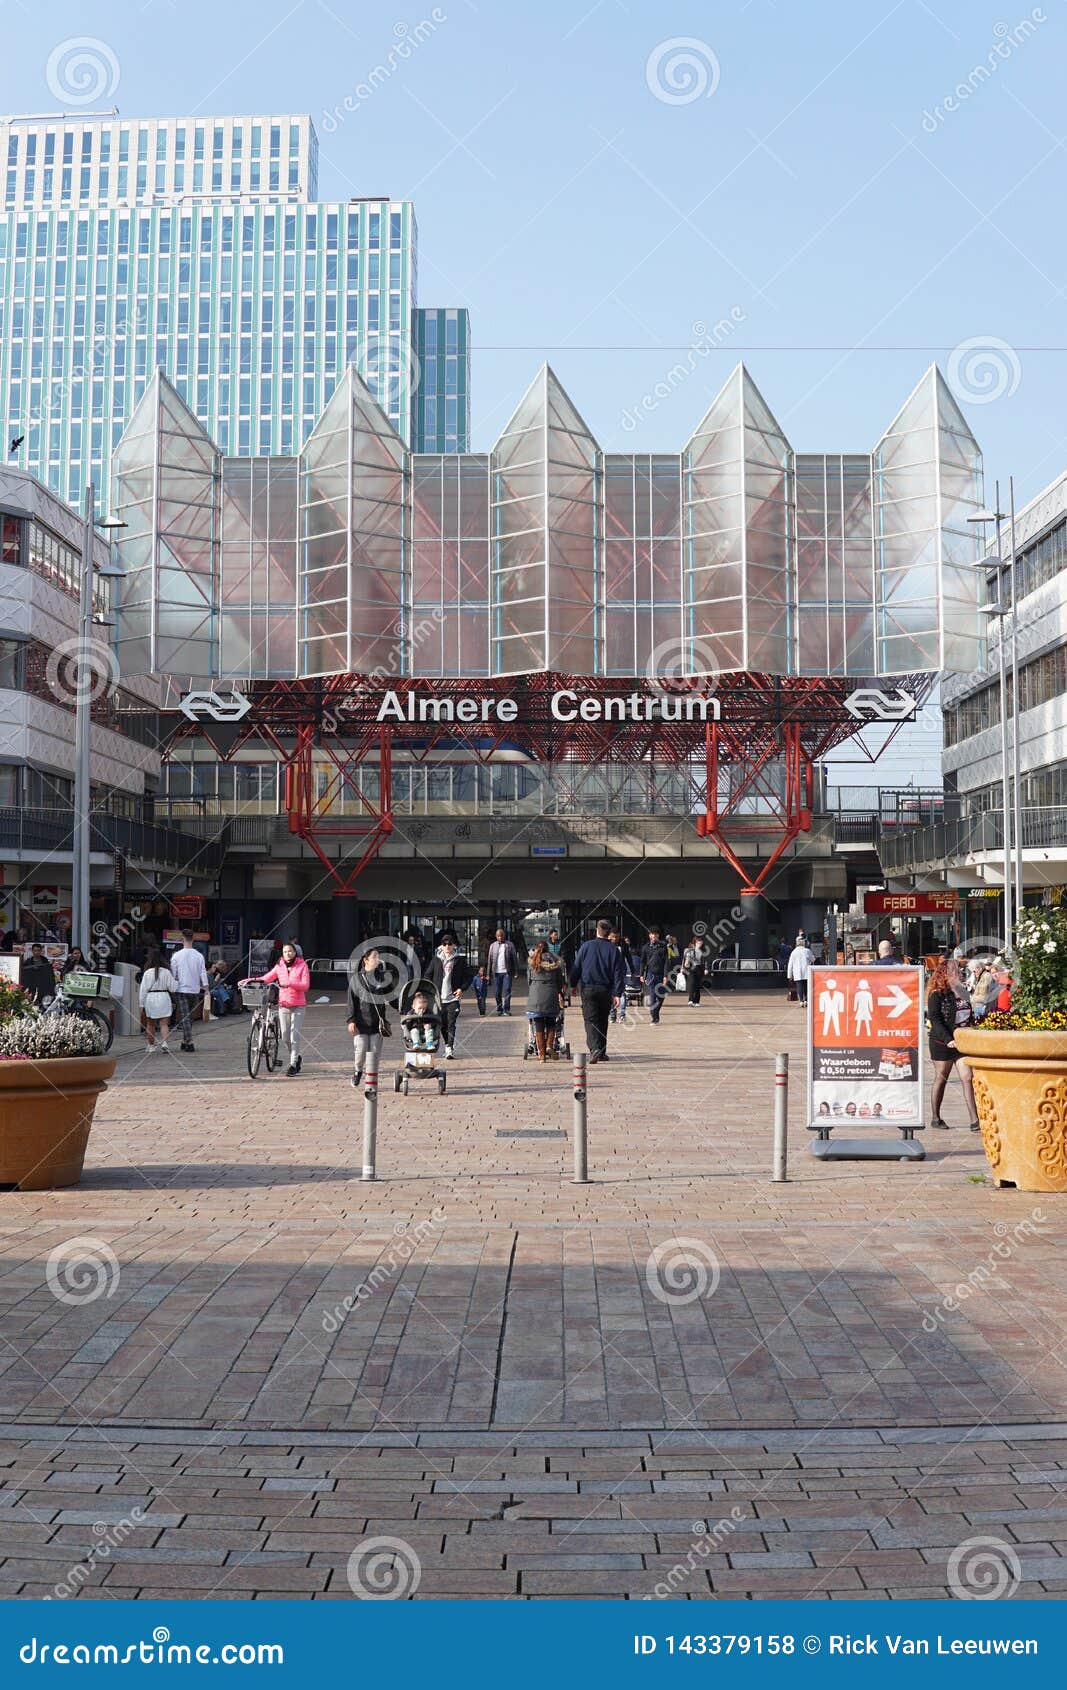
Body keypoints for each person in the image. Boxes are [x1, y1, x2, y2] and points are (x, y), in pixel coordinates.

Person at [926, 957, 979, 1132]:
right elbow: (935, 1019)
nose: (960, 973)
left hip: (962, 1042)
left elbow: (968, 1013)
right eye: (956, 970)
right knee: (941, 1078)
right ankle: (936, 1117)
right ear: (946, 974)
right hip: (942, 1042)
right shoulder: (937, 994)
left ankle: (974, 1120)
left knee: (967, 1077)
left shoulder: (963, 991)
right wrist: (948, 1039)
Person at [569, 918, 625, 1063]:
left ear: (597, 931)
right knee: (602, 1021)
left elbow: (576, 967)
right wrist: (618, 993)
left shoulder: (586, 946)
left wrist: (573, 984)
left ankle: (594, 1049)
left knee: (590, 1020)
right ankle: (601, 1051)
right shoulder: (614, 950)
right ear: (608, 933)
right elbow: (618, 973)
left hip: (588, 988)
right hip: (605, 990)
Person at [261, 941, 311, 1077]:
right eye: (284, 952)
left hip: (298, 1006)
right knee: (285, 1037)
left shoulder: (302, 965)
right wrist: (251, 980)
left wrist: (290, 983)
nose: (287, 954)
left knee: (294, 1036)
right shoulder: (279, 965)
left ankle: (293, 1064)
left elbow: (305, 985)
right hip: (283, 1005)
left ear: (295, 952)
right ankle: (296, 1057)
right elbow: (267, 977)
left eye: (290, 951)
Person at [347, 945, 391, 1089]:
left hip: (377, 1024)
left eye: (378, 957)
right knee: (360, 1051)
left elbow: (392, 996)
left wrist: (405, 1007)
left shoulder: (382, 977)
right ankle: (358, 1071)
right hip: (361, 1022)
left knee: (374, 1053)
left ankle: (371, 1080)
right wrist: (351, 1020)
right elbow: (351, 1001)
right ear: (365, 960)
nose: (377, 960)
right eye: (374, 957)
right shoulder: (356, 979)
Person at [428, 934, 470, 1059]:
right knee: (442, 1024)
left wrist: (461, 989)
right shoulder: (436, 960)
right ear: (441, 945)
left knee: (451, 1023)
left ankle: (449, 1048)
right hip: (439, 999)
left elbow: (468, 977)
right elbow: (427, 975)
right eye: (444, 943)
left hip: (453, 999)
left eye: (449, 943)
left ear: (454, 945)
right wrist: (431, 990)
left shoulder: (459, 961)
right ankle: (447, 1044)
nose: (447, 946)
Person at [168, 931, 211, 1052]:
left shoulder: (176, 956)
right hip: (195, 989)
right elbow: (203, 972)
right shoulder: (199, 956)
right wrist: (206, 987)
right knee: (189, 1017)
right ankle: (188, 1041)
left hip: (181, 989)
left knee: (186, 1017)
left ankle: (187, 1041)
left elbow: (173, 974)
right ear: (193, 939)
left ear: (182, 939)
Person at [526, 940, 566, 1060]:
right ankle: (549, 1046)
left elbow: (529, 981)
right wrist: (560, 992)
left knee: (538, 1024)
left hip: (536, 996)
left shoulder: (532, 962)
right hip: (551, 994)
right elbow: (560, 982)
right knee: (551, 1022)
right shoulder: (554, 962)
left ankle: (542, 1055)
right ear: (548, 949)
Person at [138, 946, 177, 1053]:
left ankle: (151, 1046)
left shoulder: (147, 973)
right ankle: (164, 1043)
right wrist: (177, 981)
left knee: (150, 1024)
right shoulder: (167, 972)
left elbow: (143, 990)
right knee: (164, 1024)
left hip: (150, 998)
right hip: (164, 997)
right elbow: (173, 988)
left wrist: (141, 1004)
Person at [639, 926, 668, 1025]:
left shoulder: (663, 947)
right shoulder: (645, 947)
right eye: (652, 934)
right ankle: (654, 1017)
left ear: (658, 935)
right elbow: (642, 962)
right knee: (652, 996)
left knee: (661, 997)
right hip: (650, 975)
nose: (654, 936)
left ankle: (655, 1013)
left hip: (660, 975)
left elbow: (666, 962)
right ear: (649, 935)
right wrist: (641, 974)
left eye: (656, 934)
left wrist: (665, 975)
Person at [487, 928, 517, 1017]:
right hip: (496, 972)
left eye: (501, 935)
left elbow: (514, 959)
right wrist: (488, 974)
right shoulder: (493, 946)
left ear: (504, 935)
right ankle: (499, 1008)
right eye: (498, 936)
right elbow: (489, 961)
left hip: (507, 972)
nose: (500, 937)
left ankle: (506, 1009)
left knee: (507, 989)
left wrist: (515, 971)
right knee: (497, 992)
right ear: (496, 936)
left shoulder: (510, 945)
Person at [682, 932, 709, 1005]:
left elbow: (705, 961)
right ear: (695, 942)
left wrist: (706, 969)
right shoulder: (690, 950)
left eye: (701, 941)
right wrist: (683, 968)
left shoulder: (703, 951)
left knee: (697, 985)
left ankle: (696, 1001)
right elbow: (684, 960)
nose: (700, 942)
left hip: (700, 969)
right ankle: (690, 1000)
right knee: (692, 983)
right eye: (698, 941)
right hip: (691, 969)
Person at [786, 934, 814, 1004]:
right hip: (806, 972)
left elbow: (790, 964)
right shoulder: (807, 951)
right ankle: (806, 1000)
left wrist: (789, 975)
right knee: (806, 986)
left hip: (797, 973)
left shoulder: (793, 952)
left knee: (799, 986)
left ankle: (801, 1000)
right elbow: (813, 959)